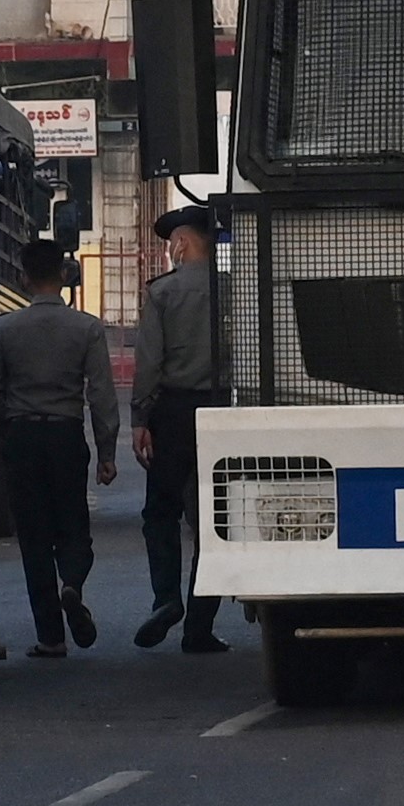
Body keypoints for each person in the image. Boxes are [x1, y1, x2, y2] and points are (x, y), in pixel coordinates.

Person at [0, 236, 117, 654]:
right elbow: (101, 395)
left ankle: (50, 637)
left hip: (22, 437)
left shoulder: (5, 329)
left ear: (24, 278)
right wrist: (107, 452)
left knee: (34, 536)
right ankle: (72, 583)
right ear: (63, 274)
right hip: (65, 434)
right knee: (73, 524)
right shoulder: (87, 328)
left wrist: (9, 429)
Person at [130, 201, 225, 651]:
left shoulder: (162, 293)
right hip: (225, 412)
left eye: (172, 244)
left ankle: (166, 598)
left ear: (182, 244)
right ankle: (199, 628)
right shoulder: (236, 288)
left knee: (160, 513)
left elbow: (149, 363)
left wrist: (140, 420)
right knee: (216, 520)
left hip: (173, 414)